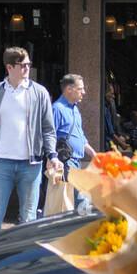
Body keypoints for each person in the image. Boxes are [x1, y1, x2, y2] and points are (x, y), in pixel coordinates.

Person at [0, 47, 62, 236]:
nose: (28, 68)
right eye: (23, 65)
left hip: (31, 163)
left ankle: (28, 261)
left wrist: (52, 155)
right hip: (1, 162)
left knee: (28, 218)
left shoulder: (39, 93)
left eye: (29, 64)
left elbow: (48, 129)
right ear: (10, 67)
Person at [53, 74, 96, 214]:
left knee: (68, 201)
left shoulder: (75, 109)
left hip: (76, 162)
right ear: (69, 89)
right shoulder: (57, 109)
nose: (83, 92)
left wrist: (93, 153)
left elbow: (80, 136)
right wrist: (52, 158)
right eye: (80, 89)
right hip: (65, 162)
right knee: (82, 200)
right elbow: (49, 135)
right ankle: (86, 229)